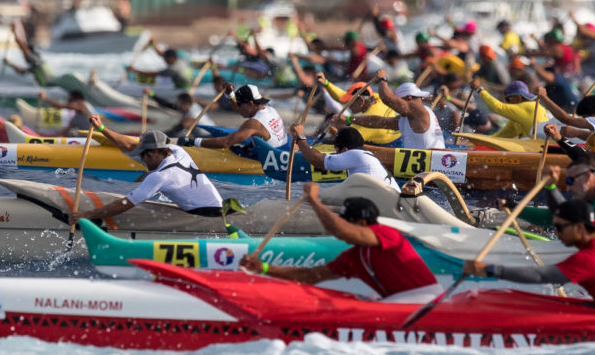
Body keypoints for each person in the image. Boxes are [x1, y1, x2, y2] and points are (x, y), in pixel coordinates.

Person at [464, 197, 595, 313]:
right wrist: (551, 187)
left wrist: (490, 270)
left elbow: (540, 275)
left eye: (560, 228)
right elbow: (565, 209)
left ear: (579, 227)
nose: (557, 232)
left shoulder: (589, 259)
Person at [244, 188, 436, 295]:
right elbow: (310, 276)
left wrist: (314, 202)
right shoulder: (353, 257)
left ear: (362, 222)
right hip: (400, 303)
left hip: (426, 298)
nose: (338, 228)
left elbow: (337, 229)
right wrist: (264, 268)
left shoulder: (386, 233)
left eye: (346, 222)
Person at [74, 129, 225, 220]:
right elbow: (129, 145)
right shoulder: (178, 151)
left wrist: (88, 215)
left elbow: (125, 204)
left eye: (144, 155)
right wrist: (101, 128)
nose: (141, 160)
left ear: (154, 151)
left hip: (209, 218)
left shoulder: (160, 176)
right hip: (219, 208)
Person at [191, 84, 290, 153]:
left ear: (251, 103)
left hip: (270, 157)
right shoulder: (269, 108)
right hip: (282, 148)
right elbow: (240, 109)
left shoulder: (254, 123)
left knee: (229, 144)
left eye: (240, 104)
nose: (237, 107)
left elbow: (226, 142)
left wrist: (194, 142)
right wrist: (230, 95)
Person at [293, 123, 397, 189]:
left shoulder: (355, 155)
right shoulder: (365, 155)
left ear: (345, 150)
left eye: (336, 149)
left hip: (391, 205)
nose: (335, 152)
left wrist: (300, 138)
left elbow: (317, 160)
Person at [351, 79, 446, 150]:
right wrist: (350, 119)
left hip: (432, 167)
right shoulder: (408, 118)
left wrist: (382, 79)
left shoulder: (418, 110)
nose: (397, 107)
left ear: (408, 98)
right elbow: (378, 122)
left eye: (399, 101)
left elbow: (387, 99)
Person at [474, 80, 556, 140]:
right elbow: (501, 135)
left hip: (539, 149)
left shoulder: (529, 107)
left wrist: (479, 89)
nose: (506, 102)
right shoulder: (518, 117)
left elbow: (498, 107)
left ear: (518, 97)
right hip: (532, 147)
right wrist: (481, 140)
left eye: (508, 99)